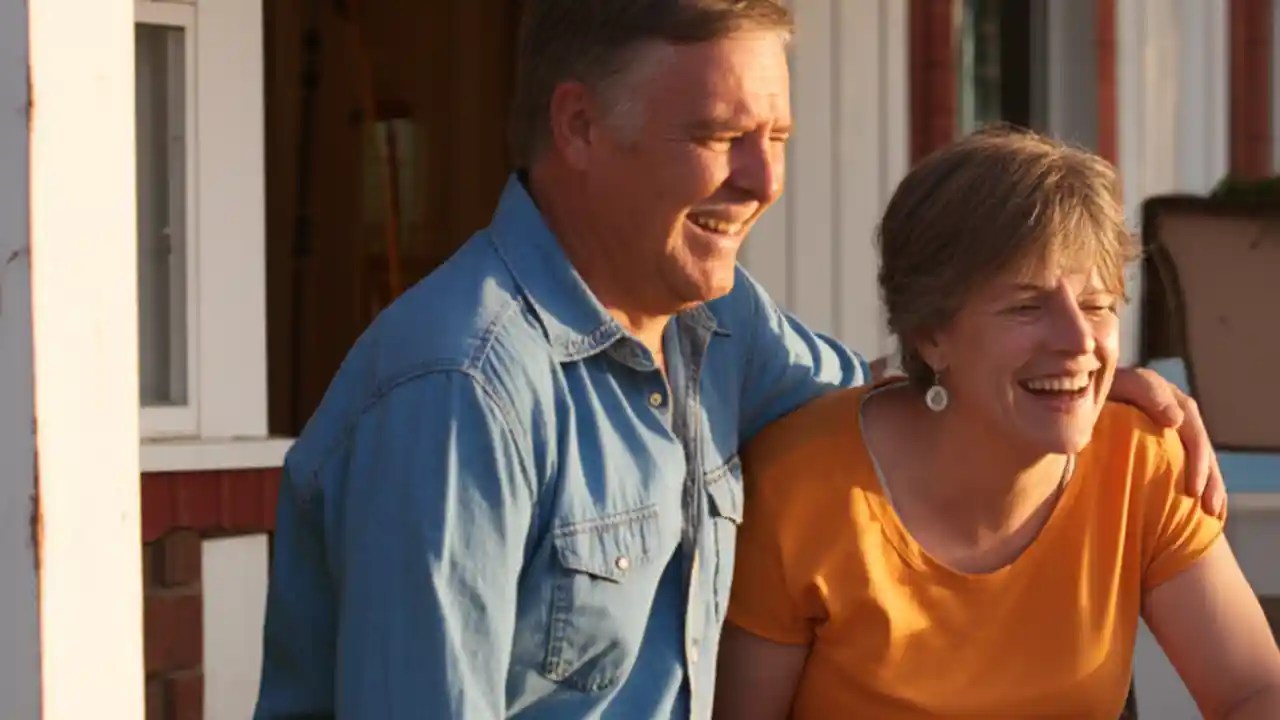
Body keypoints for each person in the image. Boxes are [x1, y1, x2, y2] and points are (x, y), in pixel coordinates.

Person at [254, 3, 1224, 718]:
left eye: (778, 137)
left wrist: (1079, 376)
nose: (761, 181)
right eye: (718, 137)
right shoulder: (461, 391)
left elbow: (904, 388)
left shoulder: (712, 322)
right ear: (580, 127)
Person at [714, 129, 1280, 719]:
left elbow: (1253, 692)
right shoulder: (801, 484)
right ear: (932, 335)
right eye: (1026, 306)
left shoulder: (1140, 458)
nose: (1080, 340)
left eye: (1097, 305)